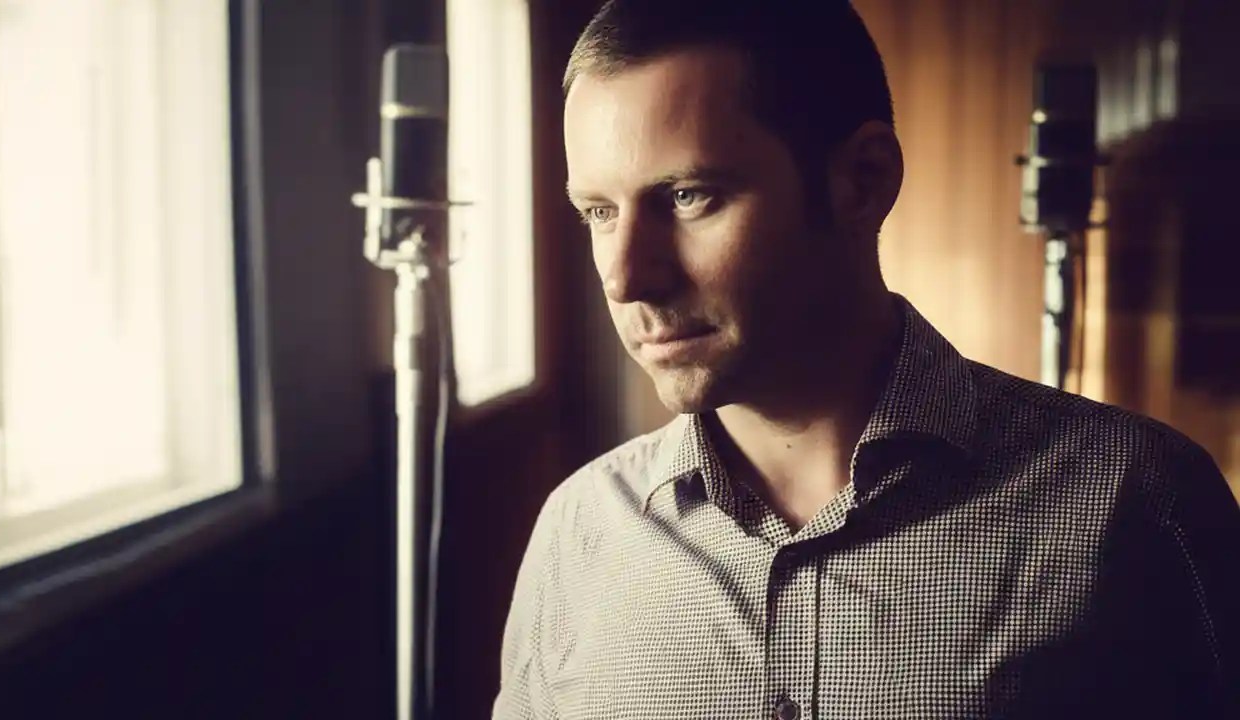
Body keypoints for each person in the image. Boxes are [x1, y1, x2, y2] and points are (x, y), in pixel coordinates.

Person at [492, 1, 1240, 717]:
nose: (625, 277)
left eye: (689, 196)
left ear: (863, 180)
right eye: (599, 212)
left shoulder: (1139, 504)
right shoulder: (578, 533)